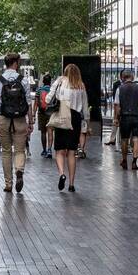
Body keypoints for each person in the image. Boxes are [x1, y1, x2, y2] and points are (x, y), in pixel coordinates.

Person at [0, 54, 35, 194]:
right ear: (16, 63)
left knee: (6, 151)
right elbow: (28, 103)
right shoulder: (24, 81)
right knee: (20, 150)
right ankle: (19, 171)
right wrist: (31, 121)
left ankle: (8, 184)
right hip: (20, 119)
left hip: (3, 119)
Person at [48, 63, 88, 192]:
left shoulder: (60, 81)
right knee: (71, 152)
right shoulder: (80, 85)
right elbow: (85, 107)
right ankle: (71, 184)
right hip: (75, 119)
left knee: (59, 151)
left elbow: (49, 98)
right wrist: (86, 121)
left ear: (65, 72)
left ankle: (61, 174)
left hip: (62, 116)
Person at [114, 69, 138, 171]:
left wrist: (116, 118)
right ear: (132, 77)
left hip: (125, 118)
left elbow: (117, 106)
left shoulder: (119, 89)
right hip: (137, 117)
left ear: (123, 77)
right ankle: (134, 161)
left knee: (124, 139)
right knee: (136, 139)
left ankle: (124, 160)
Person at [36, 73, 53, 157]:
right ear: (50, 82)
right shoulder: (52, 90)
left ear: (43, 81)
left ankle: (44, 150)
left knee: (43, 132)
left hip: (41, 112)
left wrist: (33, 113)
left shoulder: (39, 90)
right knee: (50, 131)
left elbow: (36, 103)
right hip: (51, 113)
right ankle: (50, 150)